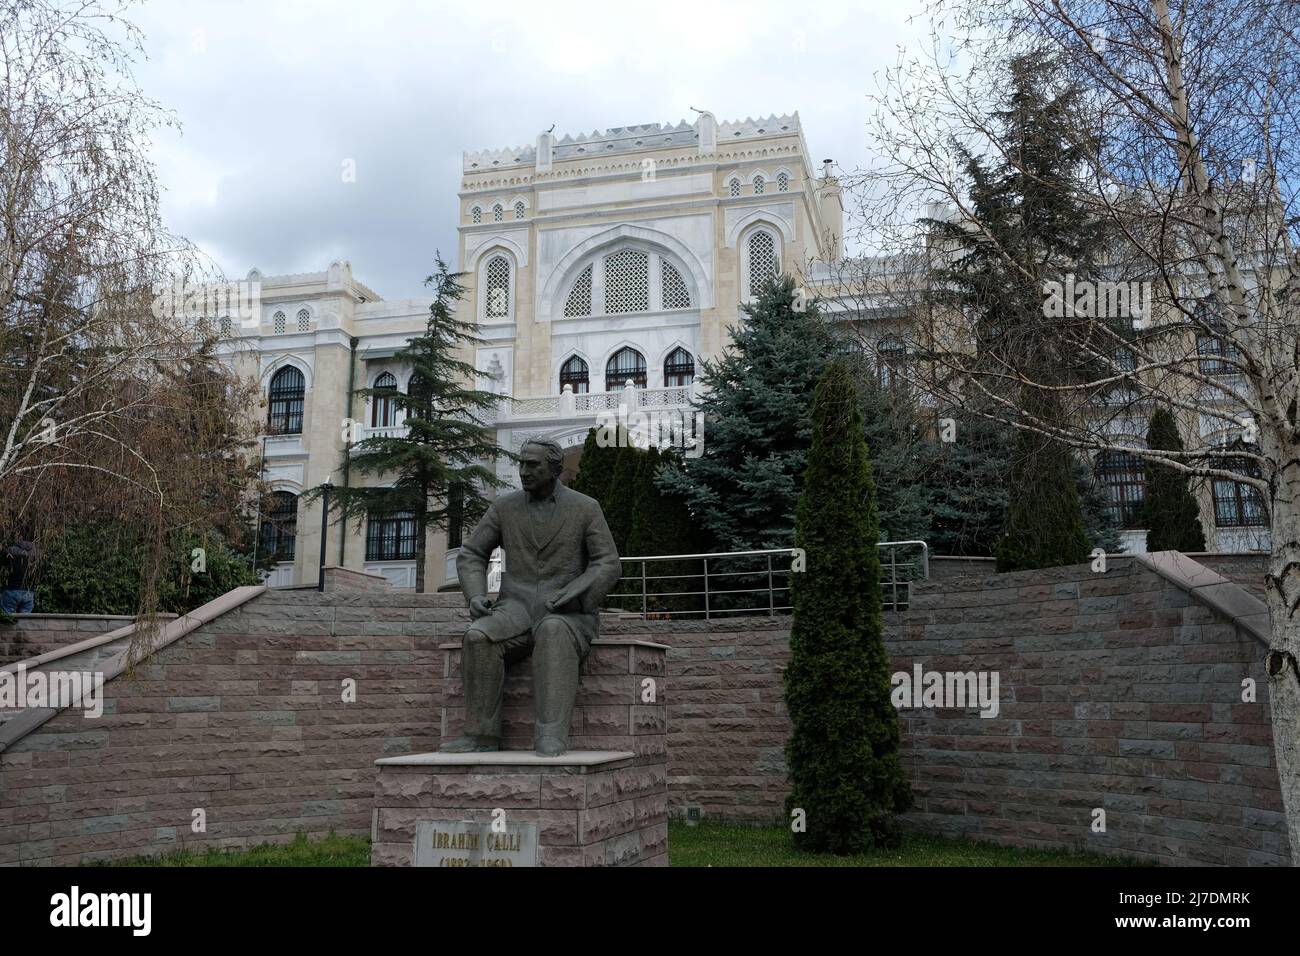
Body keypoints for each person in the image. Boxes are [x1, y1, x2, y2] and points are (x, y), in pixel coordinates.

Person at [442, 439, 621, 756]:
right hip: (515, 609)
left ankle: (551, 735)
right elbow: (472, 553)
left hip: (567, 613)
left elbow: (607, 563)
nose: (523, 471)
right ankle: (481, 735)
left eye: (532, 465)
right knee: (477, 636)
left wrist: (579, 593)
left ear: (554, 468)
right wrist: (475, 595)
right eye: (521, 463)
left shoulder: (585, 508)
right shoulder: (504, 507)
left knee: (552, 631)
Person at [1, 537, 37, 614]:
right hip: (28, 591)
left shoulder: (10, 550)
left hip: (11, 589)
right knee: (25, 621)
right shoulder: (36, 553)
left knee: (8, 619)